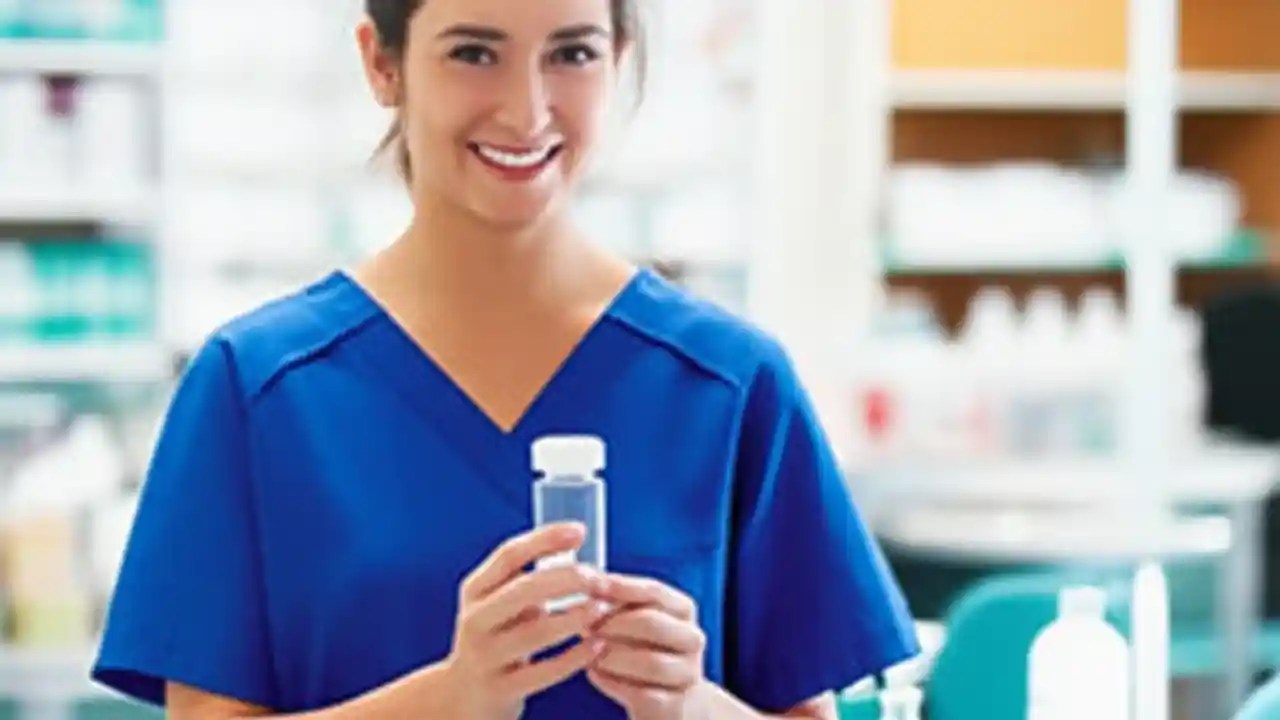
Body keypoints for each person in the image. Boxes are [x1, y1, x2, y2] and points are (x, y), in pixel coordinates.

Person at [91, 0, 918, 717]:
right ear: (382, 64)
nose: (527, 112)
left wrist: (690, 705)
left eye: (572, 53)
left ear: (619, 60)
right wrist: (449, 699)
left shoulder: (731, 385)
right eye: (474, 53)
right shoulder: (257, 388)